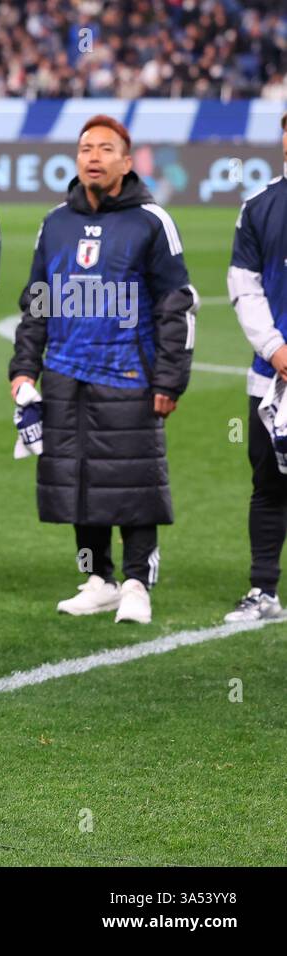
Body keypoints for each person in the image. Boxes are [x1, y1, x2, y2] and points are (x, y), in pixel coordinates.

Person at [10, 115, 197, 624]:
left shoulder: (151, 221)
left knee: (133, 482)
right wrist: (24, 367)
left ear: (126, 160)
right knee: (80, 482)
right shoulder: (56, 222)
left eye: (105, 148)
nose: (93, 156)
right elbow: (38, 301)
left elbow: (175, 305)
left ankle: (137, 583)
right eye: (85, 147)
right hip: (66, 372)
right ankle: (99, 579)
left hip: (129, 374)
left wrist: (169, 377)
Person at [224, 112, 287, 622]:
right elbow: (244, 286)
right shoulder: (259, 206)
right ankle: (263, 591)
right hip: (274, 375)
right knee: (269, 483)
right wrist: (274, 348)